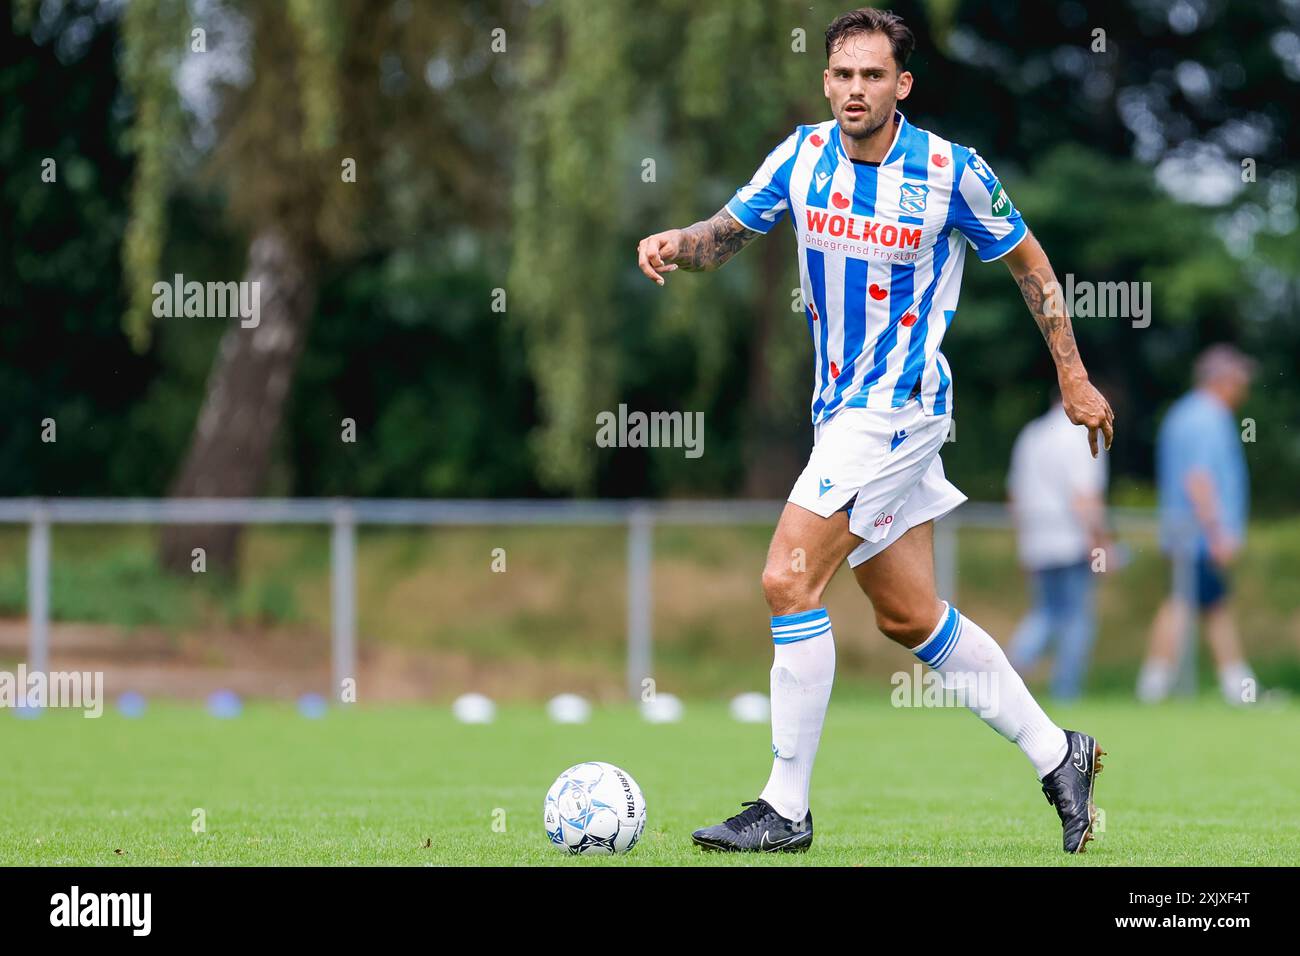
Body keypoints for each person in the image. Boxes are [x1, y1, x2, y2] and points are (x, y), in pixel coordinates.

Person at [635, 7, 1114, 853]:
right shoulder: (803, 154)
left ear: (902, 85)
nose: (857, 89)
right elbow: (727, 235)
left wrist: (1071, 374)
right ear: (827, 82)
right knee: (908, 615)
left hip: (899, 410)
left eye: (873, 75)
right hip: (840, 415)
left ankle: (784, 808)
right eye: (843, 75)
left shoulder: (949, 170)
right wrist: (678, 241)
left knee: (788, 578)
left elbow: (1029, 262)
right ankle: (1058, 751)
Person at [1137, 344, 1256, 705]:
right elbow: (1199, 480)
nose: (1245, 388)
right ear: (1223, 380)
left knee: (1204, 605)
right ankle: (1156, 686)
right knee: (1184, 604)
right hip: (1200, 536)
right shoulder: (1209, 418)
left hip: (1184, 533)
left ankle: (1236, 686)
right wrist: (1219, 534)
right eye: (1240, 379)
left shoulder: (1182, 414)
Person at [1006, 391, 1109, 700]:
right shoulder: (1080, 434)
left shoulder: (1031, 434)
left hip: (1037, 541)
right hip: (1071, 541)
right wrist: (1101, 545)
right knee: (1076, 618)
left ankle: (1002, 678)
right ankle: (1066, 692)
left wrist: (1023, 541)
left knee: (1045, 614)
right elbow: (1084, 496)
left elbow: (1014, 495)